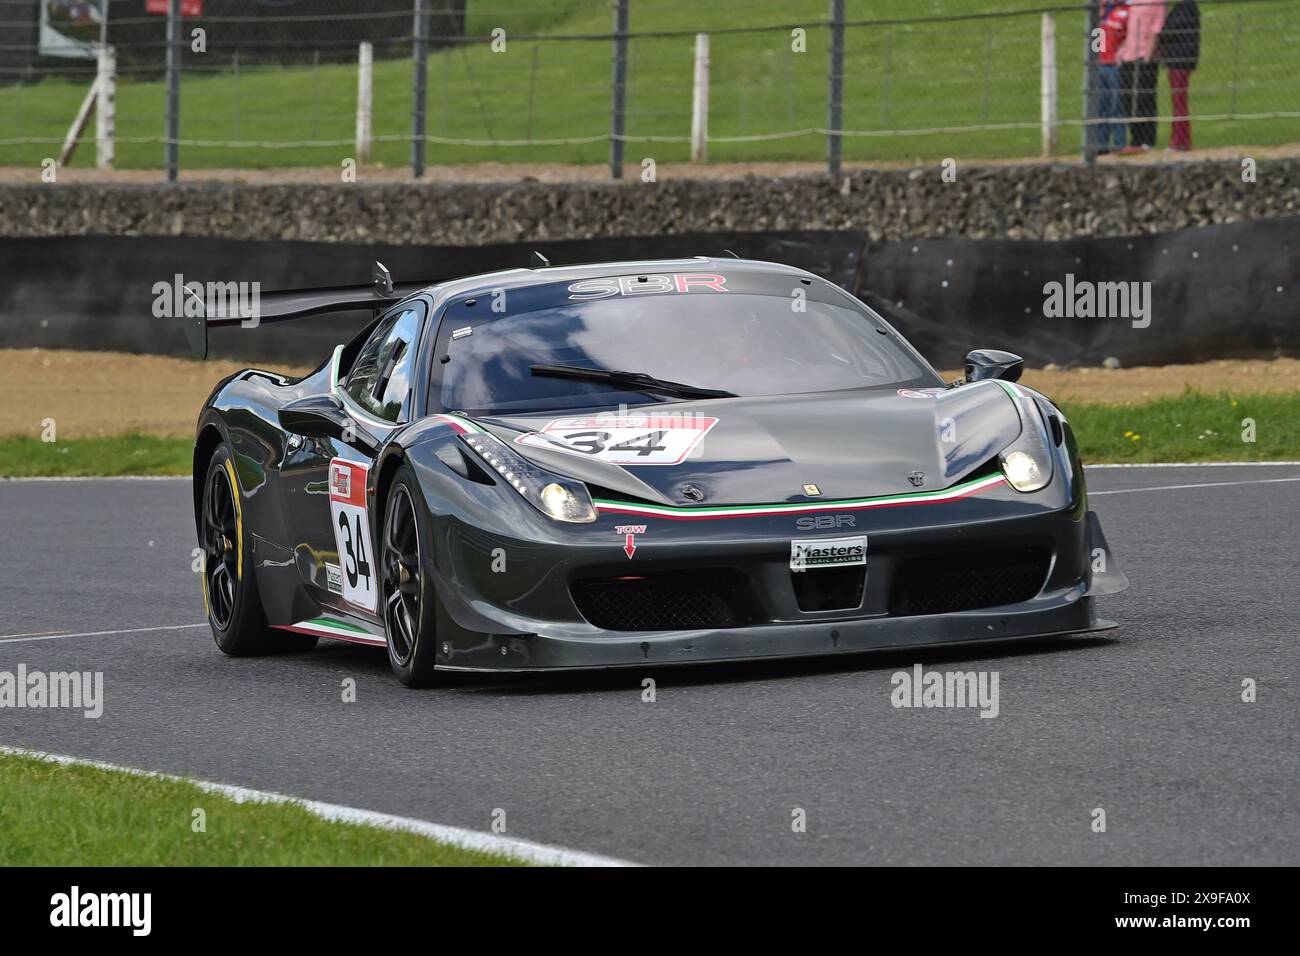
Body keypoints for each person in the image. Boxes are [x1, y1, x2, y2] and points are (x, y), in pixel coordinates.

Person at [1116, 0, 1167, 153]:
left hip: (1145, 57)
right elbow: (1129, 28)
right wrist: (1122, 51)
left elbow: (1156, 29)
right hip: (1128, 57)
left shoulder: (1158, 2)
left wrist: (1148, 56)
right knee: (1128, 99)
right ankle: (1135, 140)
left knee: (1145, 98)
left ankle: (1147, 140)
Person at [1157, 0, 1200, 151]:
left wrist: (1159, 32)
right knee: (1177, 102)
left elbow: (1170, 30)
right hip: (1176, 60)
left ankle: (1180, 141)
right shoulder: (1180, 7)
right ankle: (1179, 140)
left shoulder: (1186, 7)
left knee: (1179, 102)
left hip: (1181, 60)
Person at [1097, 1, 1131, 154]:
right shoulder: (1103, 12)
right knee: (1101, 106)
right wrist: (1095, 57)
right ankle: (1101, 144)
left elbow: (1131, 35)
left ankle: (1120, 143)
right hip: (1100, 65)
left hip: (1115, 65)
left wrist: (1122, 54)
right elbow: (1096, 36)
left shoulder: (1127, 11)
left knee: (1117, 105)